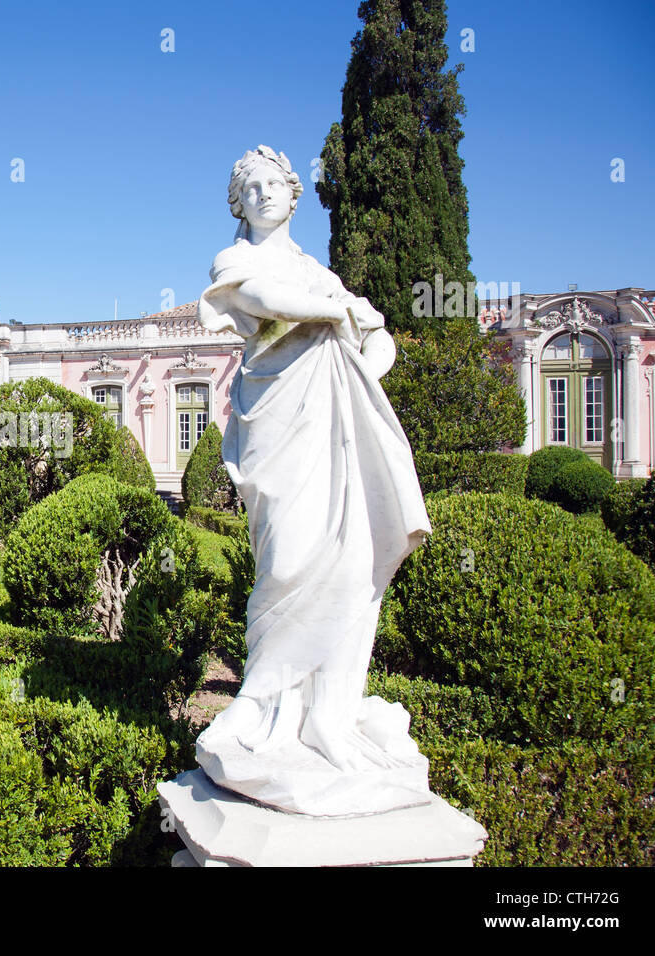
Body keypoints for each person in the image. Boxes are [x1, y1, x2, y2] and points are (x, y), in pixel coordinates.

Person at [195, 146, 431, 787]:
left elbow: (379, 340)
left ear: (293, 193)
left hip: (331, 427)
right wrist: (337, 311)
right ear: (238, 202)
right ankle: (258, 702)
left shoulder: (317, 272)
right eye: (251, 187)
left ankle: (326, 713)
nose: (264, 194)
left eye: (274, 183)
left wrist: (362, 366)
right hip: (274, 425)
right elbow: (265, 298)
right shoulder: (237, 261)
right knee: (286, 558)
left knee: (348, 558)